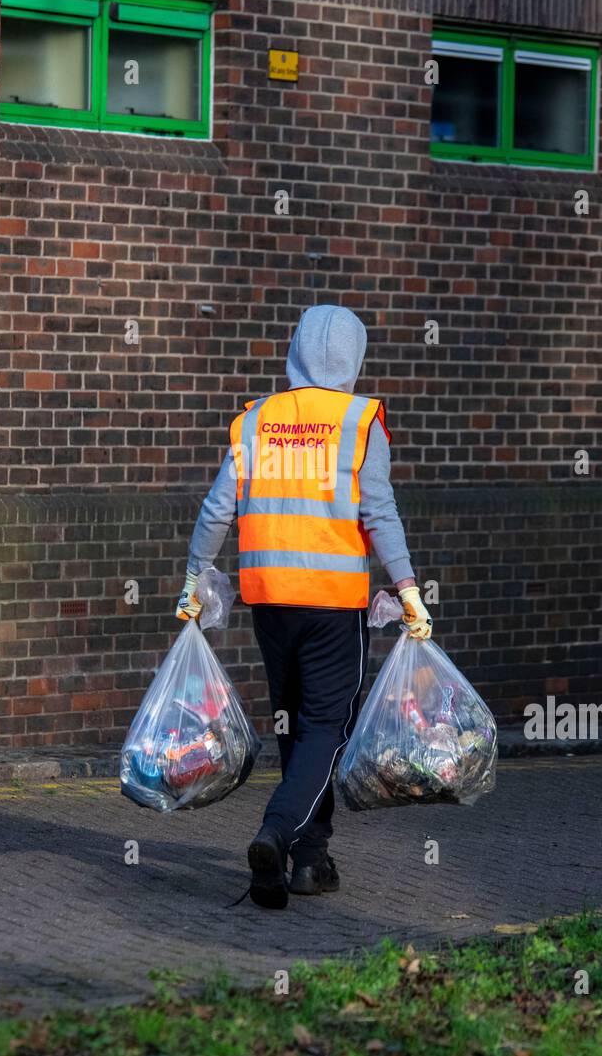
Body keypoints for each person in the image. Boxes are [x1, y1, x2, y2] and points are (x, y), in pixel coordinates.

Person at [175, 305, 431, 910]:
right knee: (327, 727)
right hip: (333, 604)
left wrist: (193, 579)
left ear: (294, 351)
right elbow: (379, 513)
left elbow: (217, 510)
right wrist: (409, 588)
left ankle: (311, 860)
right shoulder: (359, 421)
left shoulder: (256, 420)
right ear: (354, 359)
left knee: (293, 723)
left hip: (271, 604)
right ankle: (277, 831)